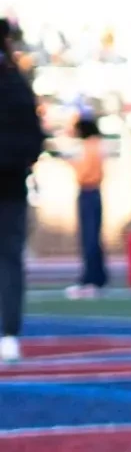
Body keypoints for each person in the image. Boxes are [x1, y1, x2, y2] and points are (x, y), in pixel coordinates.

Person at [0, 19, 44, 363]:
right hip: (12, 185)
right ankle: (8, 334)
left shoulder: (16, 84)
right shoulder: (17, 83)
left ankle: (8, 333)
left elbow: (32, 141)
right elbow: (34, 141)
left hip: (10, 186)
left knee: (10, 259)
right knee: (10, 260)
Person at [66, 115, 107, 298]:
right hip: (93, 192)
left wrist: (71, 164)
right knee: (92, 236)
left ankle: (91, 278)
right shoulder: (96, 145)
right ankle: (96, 276)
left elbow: (85, 173)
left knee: (89, 237)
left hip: (89, 191)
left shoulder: (90, 147)